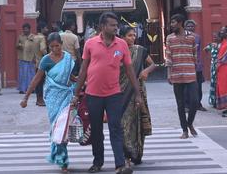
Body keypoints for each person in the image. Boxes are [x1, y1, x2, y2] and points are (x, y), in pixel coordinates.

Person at [70, 12, 144, 174]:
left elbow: (131, 71)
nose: (116, 28)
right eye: (112, 25)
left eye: (116, 25)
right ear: (102, 27)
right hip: (93, 94)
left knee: (115, 128)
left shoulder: (122, 44)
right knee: (96, 130)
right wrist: (76, 94)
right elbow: (83, 70)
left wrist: (137, 94)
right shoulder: (90, 43)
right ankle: (98, 162)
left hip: (114, 94)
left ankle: (120, 164)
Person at [22, 33, 76, 173]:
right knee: (57, 129)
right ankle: (63, 162)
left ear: (61, 44)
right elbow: (37, 79)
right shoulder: (46, 60)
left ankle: (60, 158)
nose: (54, 49)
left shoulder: (68, 58)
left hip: (66, 96)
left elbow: (71, 77)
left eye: (57, 46)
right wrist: (26, 97)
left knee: (63, 129)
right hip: (52, 98)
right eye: (51, 47)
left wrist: (82, 83)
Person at [119, 26, 156, 166]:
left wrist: (146, 70)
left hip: (137, 91)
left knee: (138, 122)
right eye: (129, 35)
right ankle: (126, 154)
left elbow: (153, 64)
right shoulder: (116, 51)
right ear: (122, 37)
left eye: (134, 35)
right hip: (120, 92)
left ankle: (137, 153)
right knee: (124, 124)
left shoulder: (140, 50)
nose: (132, 38)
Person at [165, 14, 199, 139]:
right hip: (176, 73)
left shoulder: (192, 37)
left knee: (195, 101)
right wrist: (169, 73)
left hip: (190, 73)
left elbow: (195, 54)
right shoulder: (170, 38)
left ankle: (189, 123)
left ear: (180, 23)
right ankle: (184, 129)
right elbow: (168, 56)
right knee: (180, 104)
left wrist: (194, 68)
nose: (171, 25)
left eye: (173, 22)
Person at [18, 23, 44, 102]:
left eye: (26, 29)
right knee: (23, 74)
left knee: (31, 74)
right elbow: (16, 45)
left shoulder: (34, 37)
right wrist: (21, 45)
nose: (25, 30)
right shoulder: (20, 36)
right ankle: (22, 89)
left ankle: (32, 89)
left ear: (29, 29)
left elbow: (36, 46)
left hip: (31, 57)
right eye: (24, 29)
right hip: (22, 57)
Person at [184, 19, 206, 110]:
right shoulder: (182, 37)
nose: (190, 28)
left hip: (197, 66)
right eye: (188, 26)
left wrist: (200, 64)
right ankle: (187, 105)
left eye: (192, 26)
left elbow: (199, 52)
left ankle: (198, 104)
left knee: (198, 86)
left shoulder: (198, 37)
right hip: (186, 66)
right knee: (186, 87)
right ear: (185, 27)